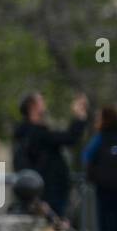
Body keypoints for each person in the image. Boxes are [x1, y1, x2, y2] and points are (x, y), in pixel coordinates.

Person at [13, 91, 89, 221]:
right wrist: (79, 117)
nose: (44, 104)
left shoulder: (31, 133)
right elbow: (69, 138)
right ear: (32, 106)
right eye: (41, 101)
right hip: (47, 196)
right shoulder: (35, 134)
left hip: (48, 194)